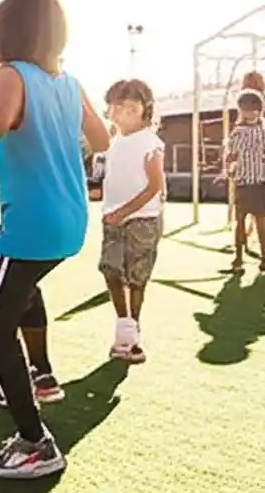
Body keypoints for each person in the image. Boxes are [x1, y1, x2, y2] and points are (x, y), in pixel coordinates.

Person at [0, 0, 110, 480]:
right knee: (21, 293)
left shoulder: (10, 73)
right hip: (70, 222)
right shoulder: (70, 84)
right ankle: (41, 377)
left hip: (30, 224)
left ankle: (35, 441)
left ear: (5, 34)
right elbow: (102, 139)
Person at [99, 79, 165, 364]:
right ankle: (125, 327)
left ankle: (130, 336)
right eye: (117, 105)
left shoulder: (150, 142)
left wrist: (124, 212)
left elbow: (154, 186)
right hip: (113, 217)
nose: (123, 111)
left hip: (142, 220)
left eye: (131, 106)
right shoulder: (113, 141)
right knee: (111, 270)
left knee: (137, 278)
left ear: (145, 109)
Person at [224, 89, 265, 274]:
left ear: (260, 109)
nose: (250, 113)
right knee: (240, 221)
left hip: (262, 181)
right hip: (243, 181)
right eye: (246, 109)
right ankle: (238, 258)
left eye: (254, 109)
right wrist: (229, 166)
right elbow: (230, 155)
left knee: (262, 222)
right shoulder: (237, 132)